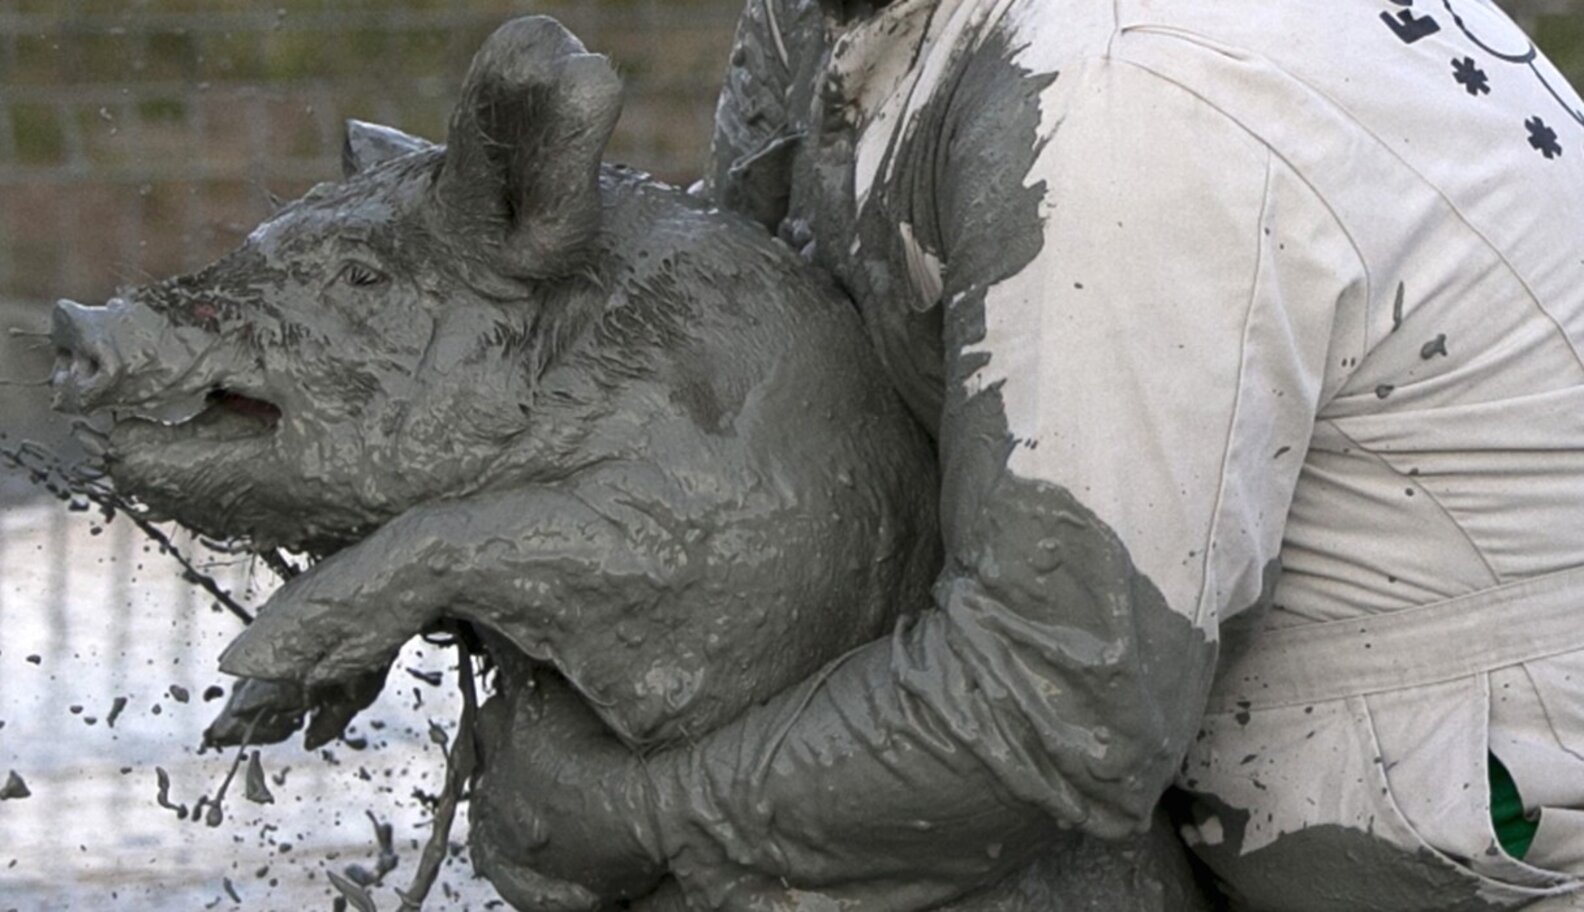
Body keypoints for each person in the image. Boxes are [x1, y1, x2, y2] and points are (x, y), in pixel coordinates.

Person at [466, 1, 1584, 908]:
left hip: (1479, 812)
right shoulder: (850, 22)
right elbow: (775, 340)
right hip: (1255, 738)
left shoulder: (1122, 94)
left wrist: (638, 813)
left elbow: (1059, 696)